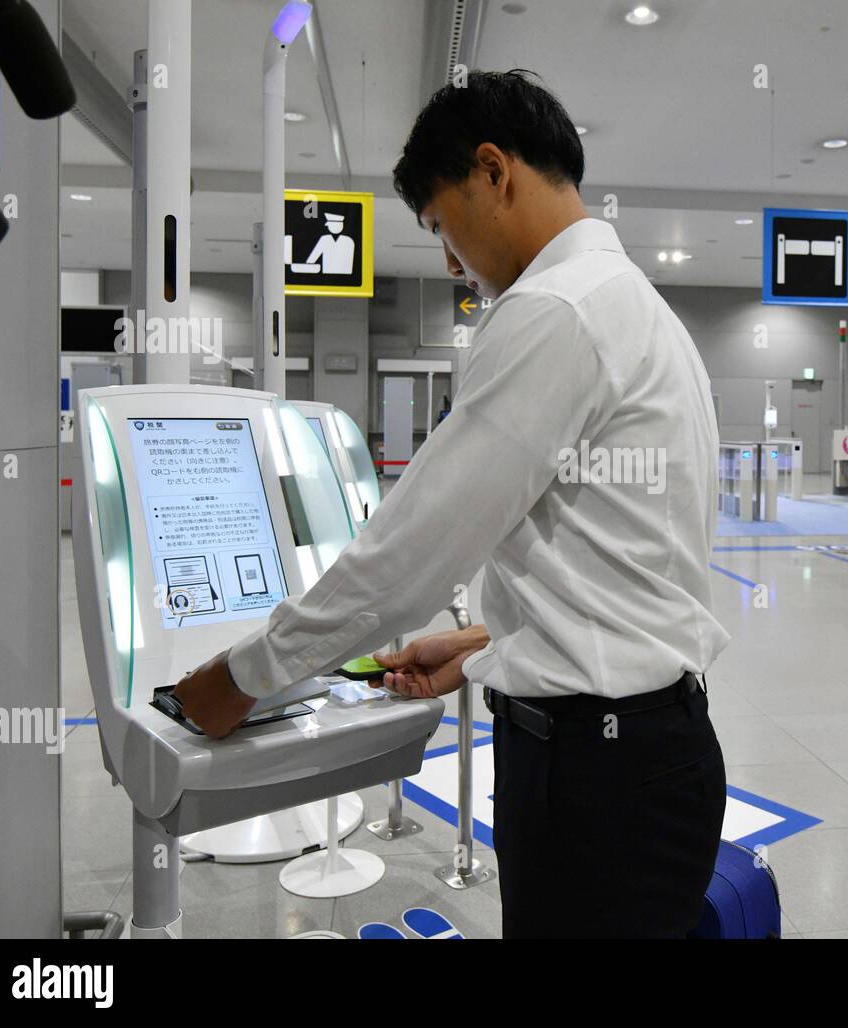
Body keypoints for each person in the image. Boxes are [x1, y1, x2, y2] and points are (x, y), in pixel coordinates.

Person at [172, 69, 729, 939]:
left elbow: (409, 558)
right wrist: (479, 645)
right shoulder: (644, 313)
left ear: (493, 171)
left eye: (439, 223)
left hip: (596, 775)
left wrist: (239, 678)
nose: (447, 258)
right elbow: (633, 567)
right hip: (653, 753)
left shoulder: (553, 312)